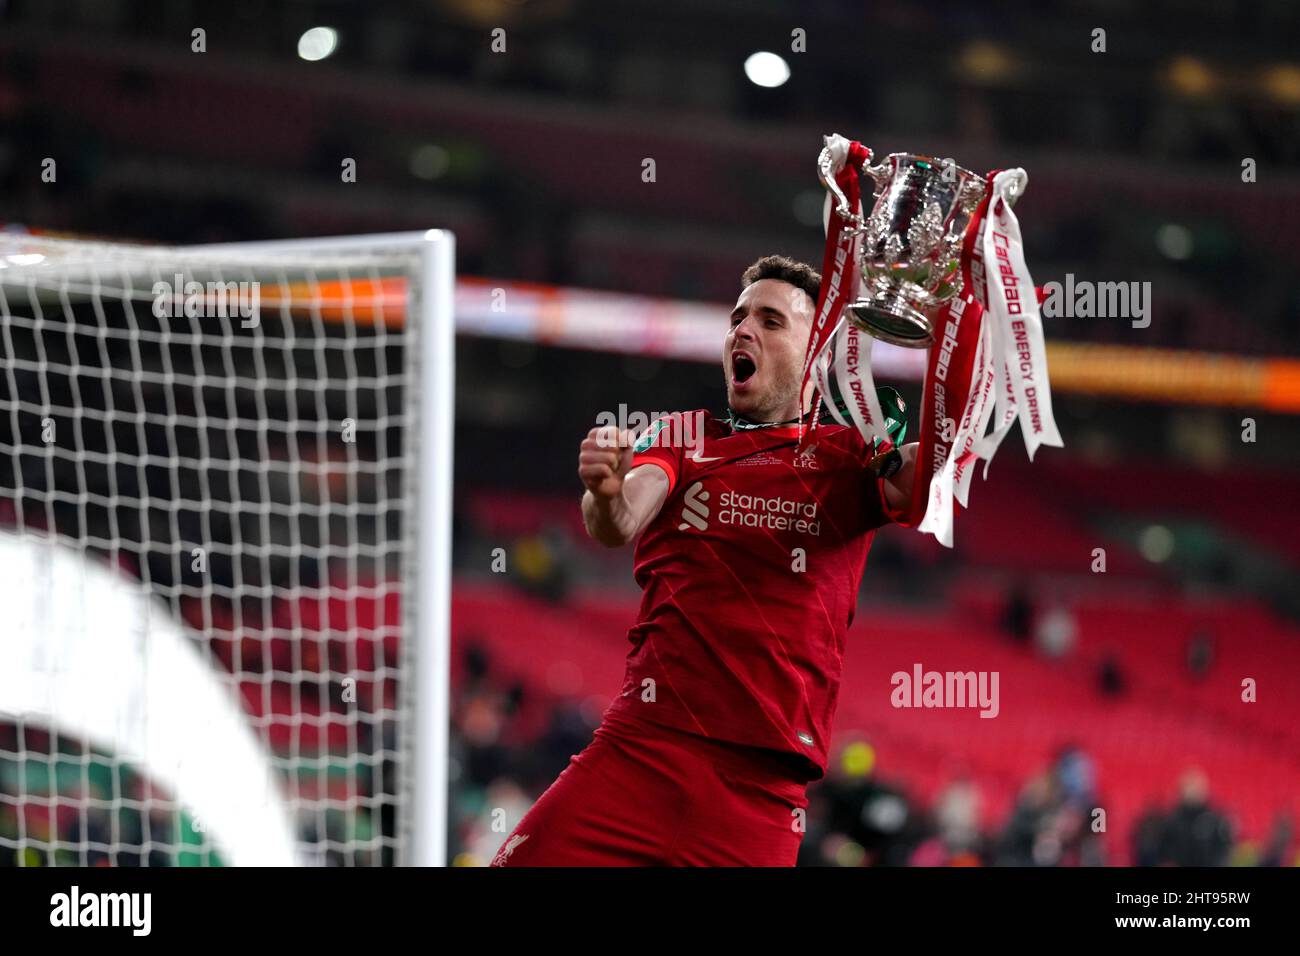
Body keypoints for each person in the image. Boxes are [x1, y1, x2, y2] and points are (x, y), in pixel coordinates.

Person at [492, 255, 922, 866]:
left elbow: (933, 474)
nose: (743, 331)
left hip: (761, 794)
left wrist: (969, 338)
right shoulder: (680, 437)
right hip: (639, 753)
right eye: (737, 319)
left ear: (818, 353)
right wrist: (606, 490)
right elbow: (616, 521)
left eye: (771, 321)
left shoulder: (853, 458)